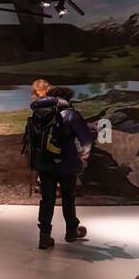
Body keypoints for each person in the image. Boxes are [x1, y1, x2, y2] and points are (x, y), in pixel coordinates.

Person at [25, 80, 92, 249]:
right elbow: (86, 139)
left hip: (45, 165)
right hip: (67, 165)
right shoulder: (71, 114)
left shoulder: (39, 115)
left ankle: (44, 237)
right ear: (67, 98)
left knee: (47, 200)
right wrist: (85, 152)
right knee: (68, 198)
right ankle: (71, 231)